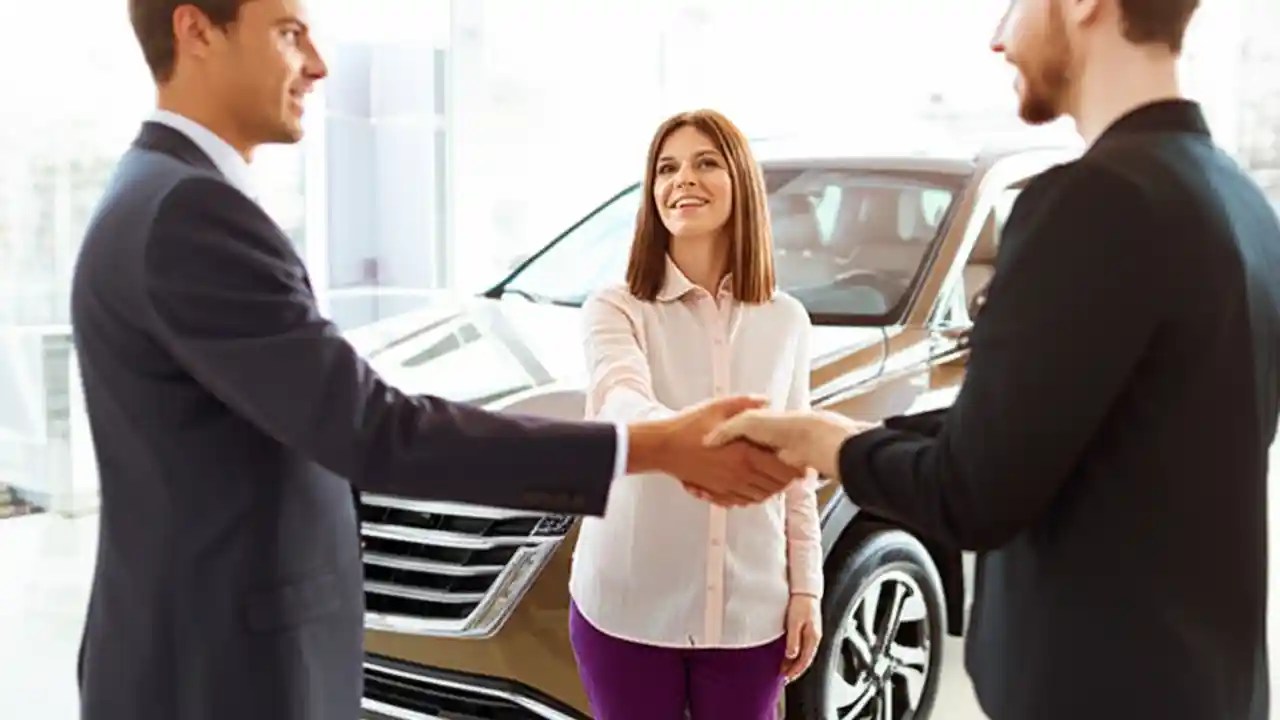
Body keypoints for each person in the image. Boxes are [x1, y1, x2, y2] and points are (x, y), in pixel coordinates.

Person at [71, 2, 802, 719]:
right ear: (196, 29)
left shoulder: (163, 194)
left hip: (207, 644)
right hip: (215, 667)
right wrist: (654, 446)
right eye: (290, 33)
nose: (319, 65)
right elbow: (372, 428)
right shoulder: (193, 210)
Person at [708, 1, 1278, 719]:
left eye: (1013, 5)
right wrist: (819, 429)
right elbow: (1070, 433)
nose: (997, 38)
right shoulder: (1240, 203)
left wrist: (827, 444)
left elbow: (970, 493)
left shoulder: (1091, 203)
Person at [565, 109, 824, 720]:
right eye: (667, 167)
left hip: (749, 613)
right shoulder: (614, 309)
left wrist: (805, 587)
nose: (683, 178)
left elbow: (799, 472)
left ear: (741, 182)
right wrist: (693, 441)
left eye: (706, 162)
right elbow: (619, 399)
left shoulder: (786, 320)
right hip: (626, 609)